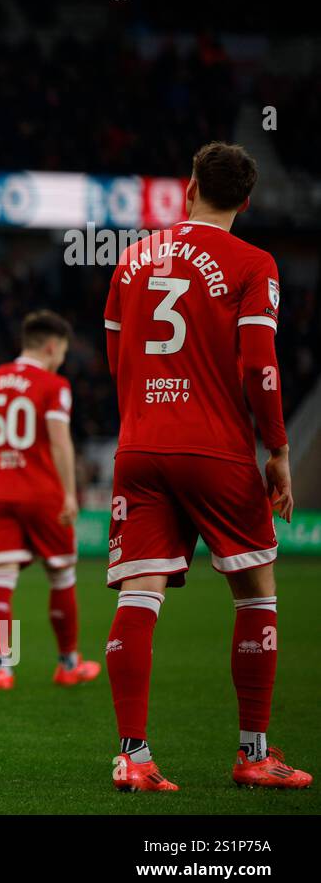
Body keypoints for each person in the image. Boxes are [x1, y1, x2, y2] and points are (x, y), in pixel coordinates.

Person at [103, 141, 310, 791]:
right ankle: (253, 753)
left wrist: (142, 419)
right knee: (256, 594)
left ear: (187, 186)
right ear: (245, 201)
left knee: (140, 595)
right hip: (215, 449)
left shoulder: (131, 260)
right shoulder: (254, 262)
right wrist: (277, 450)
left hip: (139, 447)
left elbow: (117, 362)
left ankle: (133, 756)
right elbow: (260, 365)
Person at [0, 310, 98, 691]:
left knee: (1, 579)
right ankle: (68, 664)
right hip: (43, 494)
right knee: (61, 575)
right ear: (52, 346)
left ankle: (1, 669)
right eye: (62, 352)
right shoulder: (54, 385)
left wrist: (0, 465)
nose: (62, 359)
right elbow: (60, 441)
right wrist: (70, 494)